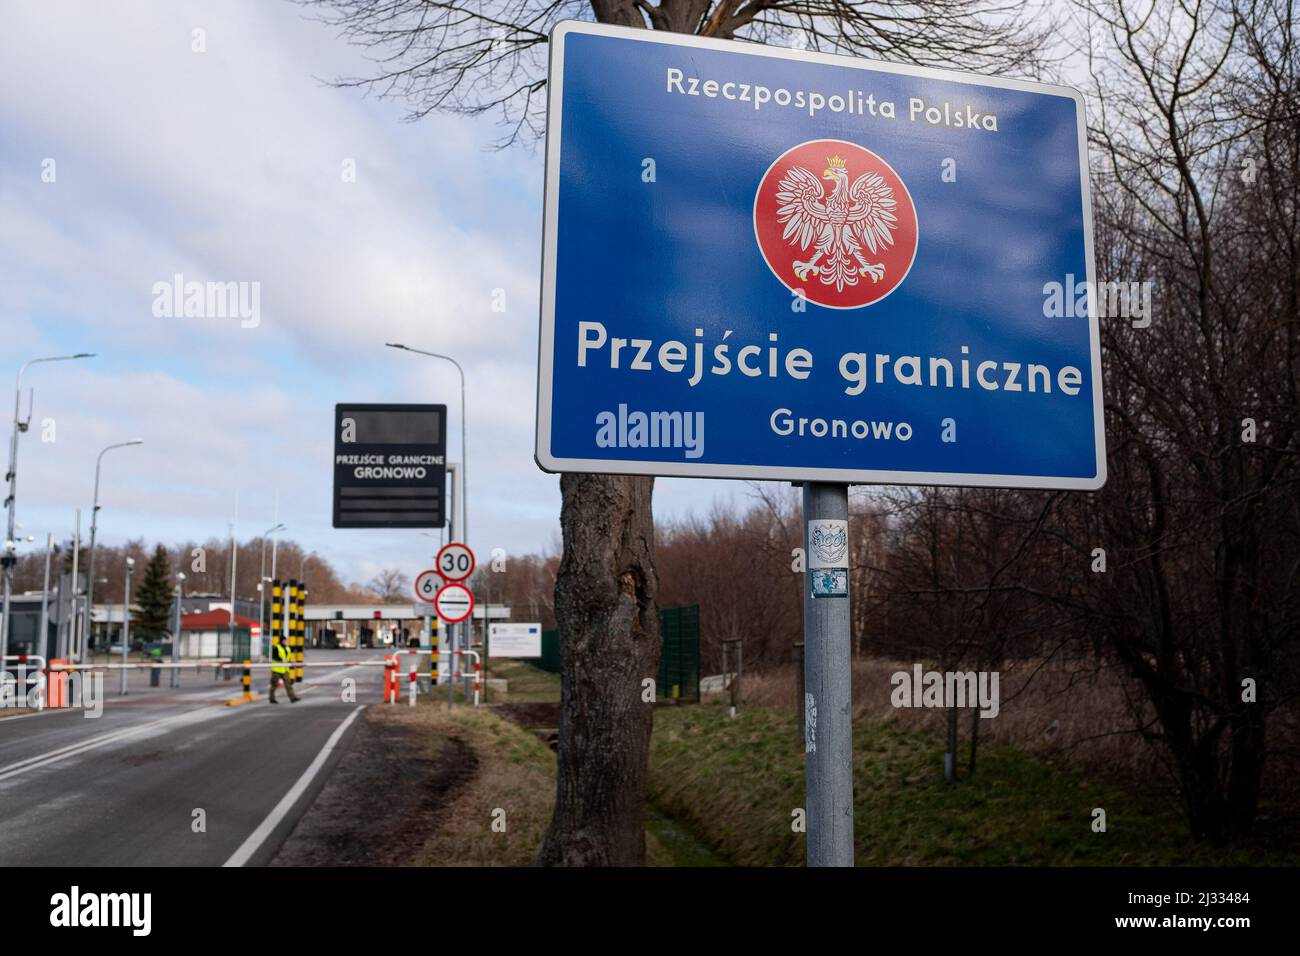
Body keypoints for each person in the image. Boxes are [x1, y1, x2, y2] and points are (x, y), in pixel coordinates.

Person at [269, 634, 298, 704]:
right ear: (281, 641)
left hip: (285, 670)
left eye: (286, 640)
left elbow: (289, 657)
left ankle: (293, 698)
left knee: (288, 685)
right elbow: (275, 657)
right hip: (276, 670)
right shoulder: (276, 648)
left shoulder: (287, 648)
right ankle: (271, 698)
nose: (286, 642)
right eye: (285, 640)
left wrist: (291, 661)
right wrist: (283, 660)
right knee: (274, 685)